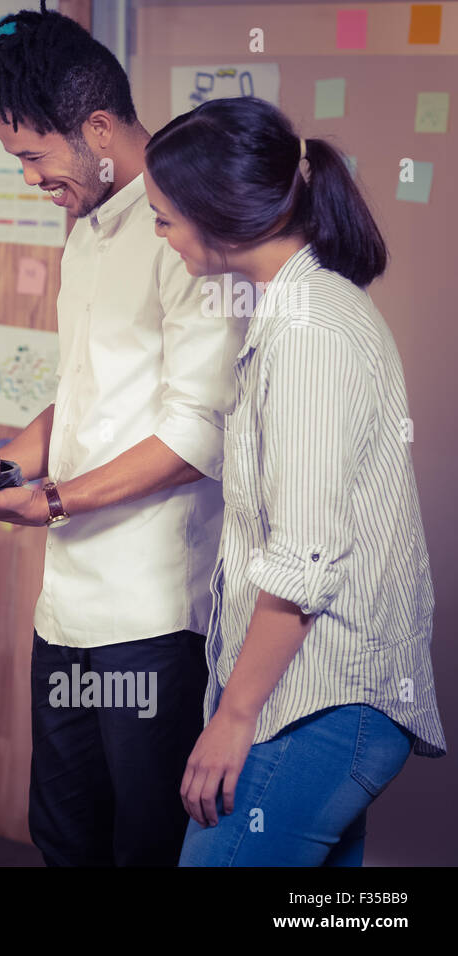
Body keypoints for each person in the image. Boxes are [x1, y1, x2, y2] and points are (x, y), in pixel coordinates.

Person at [0, 3, 245, 866]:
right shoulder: (87, 232)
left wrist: (52, 499)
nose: (29, 179)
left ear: (98, 128)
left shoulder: (184, 231)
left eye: (34, 156)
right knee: (62, 837)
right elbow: (82, 396)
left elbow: (193, 435)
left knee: (143, 845)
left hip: (152, 614)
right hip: (65, 606)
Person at [142, 96, 446, 865]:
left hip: (319, 701)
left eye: (164, 218)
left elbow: (306, 554)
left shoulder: (311, 331)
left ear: (220, 215)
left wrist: (233, 717)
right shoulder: (299, 311)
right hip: (315, 695)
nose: (160, 236)